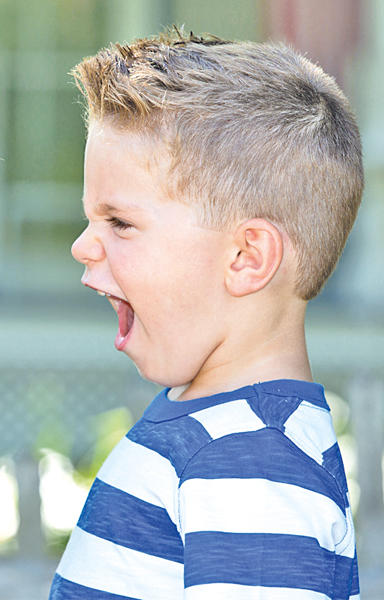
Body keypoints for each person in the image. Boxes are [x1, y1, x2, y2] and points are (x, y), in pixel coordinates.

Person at [50, 31, 362, 599]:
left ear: (247, 258)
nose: (82, 246)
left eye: (119, 222)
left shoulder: (253, 461)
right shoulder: (218, 433)